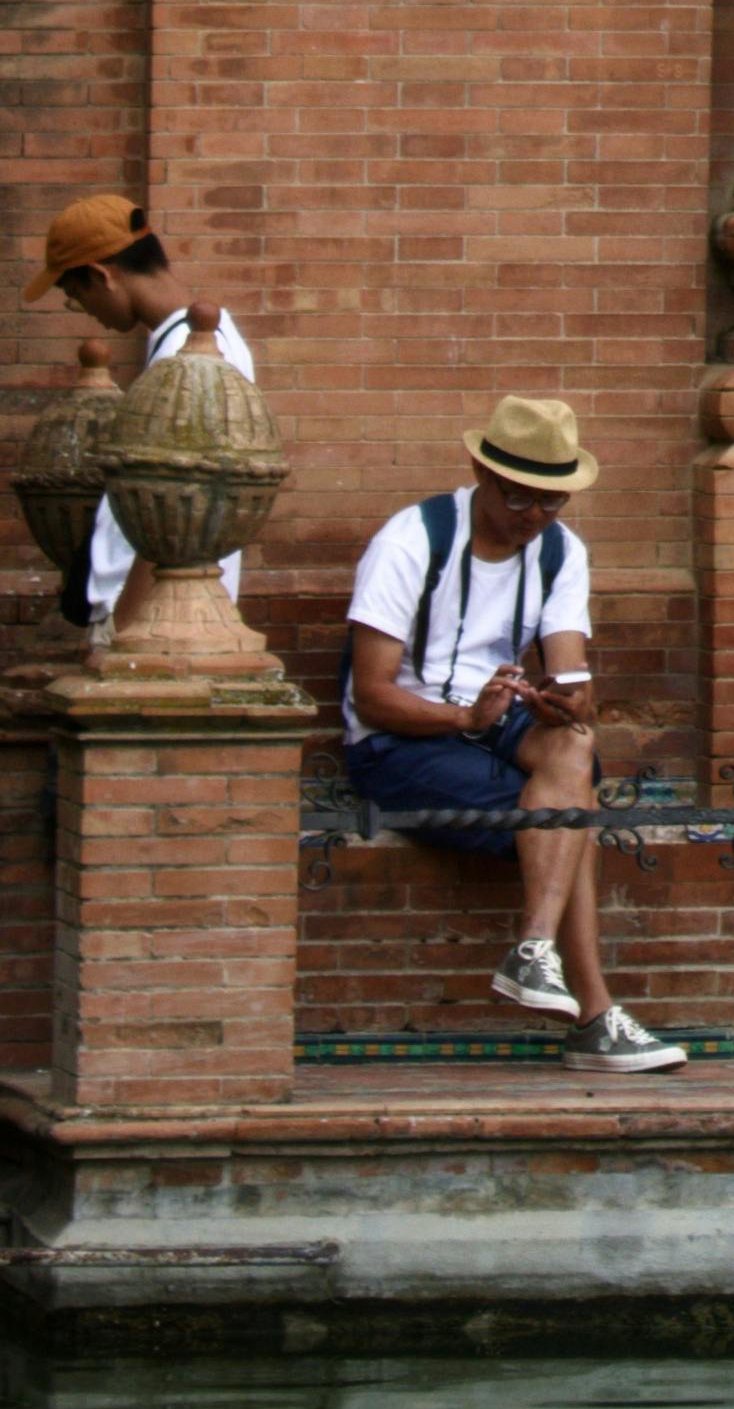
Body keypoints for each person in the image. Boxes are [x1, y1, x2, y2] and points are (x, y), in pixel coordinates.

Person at [339, 394, 686, 1072]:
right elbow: (372, 696)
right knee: (569, 814)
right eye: (519, 496)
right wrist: (465, 718)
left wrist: (568, 700)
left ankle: (534, 950)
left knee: (575, 749)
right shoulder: (411, 540)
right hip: (398, 742)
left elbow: (571, 672)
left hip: (495, 724)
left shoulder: (561, 551)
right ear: (479, 469)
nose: (533, 516)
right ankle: (594, 1016)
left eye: (551, 501)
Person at [26, 189, 258, 642]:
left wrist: (127, 638)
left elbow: (174, 504)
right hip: (157, 613)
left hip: (148, 620)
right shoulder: (190, 342)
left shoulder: (188, 359)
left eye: (76, 295)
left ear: (101, 275)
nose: (86, 312)